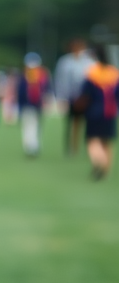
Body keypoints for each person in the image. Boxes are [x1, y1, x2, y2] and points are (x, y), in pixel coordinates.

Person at [76, 45, 118, 180]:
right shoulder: (114, 73)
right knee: (106, 141)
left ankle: (98, 161)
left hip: (93, 111)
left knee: (92, 139)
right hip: (110, 111)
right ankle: (106, 167)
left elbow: (84, 94)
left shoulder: (92, 73)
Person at [54, 38, 95, 156]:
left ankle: (89, 147)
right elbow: (60, 80)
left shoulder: (89, 62)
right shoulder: (65, 62)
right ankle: (72, 147)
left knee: (88, 124)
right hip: (72, 97)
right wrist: (61, 97)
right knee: (72, 123)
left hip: (87, 97)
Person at [17, 52, 51, 157]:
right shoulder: (43, 75)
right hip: (37, 105)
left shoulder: (25, 75)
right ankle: (34, 145)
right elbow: (48, 90)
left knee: (28, 126)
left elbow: (20, 92)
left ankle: (31, 146)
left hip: (28, 105)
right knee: (36, 126)